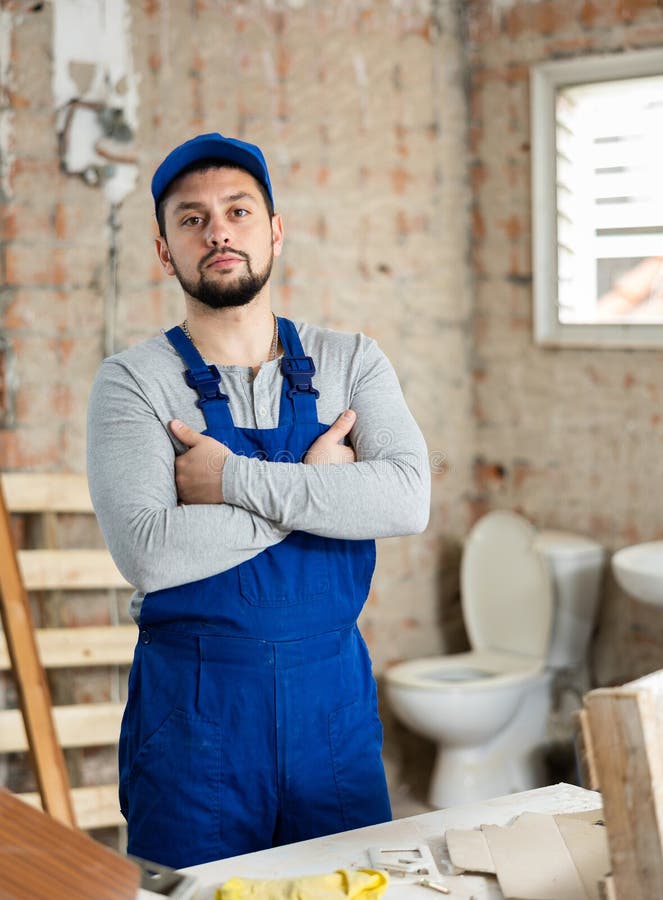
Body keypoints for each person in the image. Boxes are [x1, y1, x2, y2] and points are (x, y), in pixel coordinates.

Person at [87, 132, 430, 869]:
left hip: (332, 716)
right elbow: (149, 551)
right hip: (194, 723)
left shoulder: (352, 361)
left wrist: (230, 481)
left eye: (238, 211)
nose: (218, 231)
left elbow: (405, 500)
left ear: (274, 231)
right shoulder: (132, 382)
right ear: (165, 251)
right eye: (192, 218)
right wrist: (321, 486)